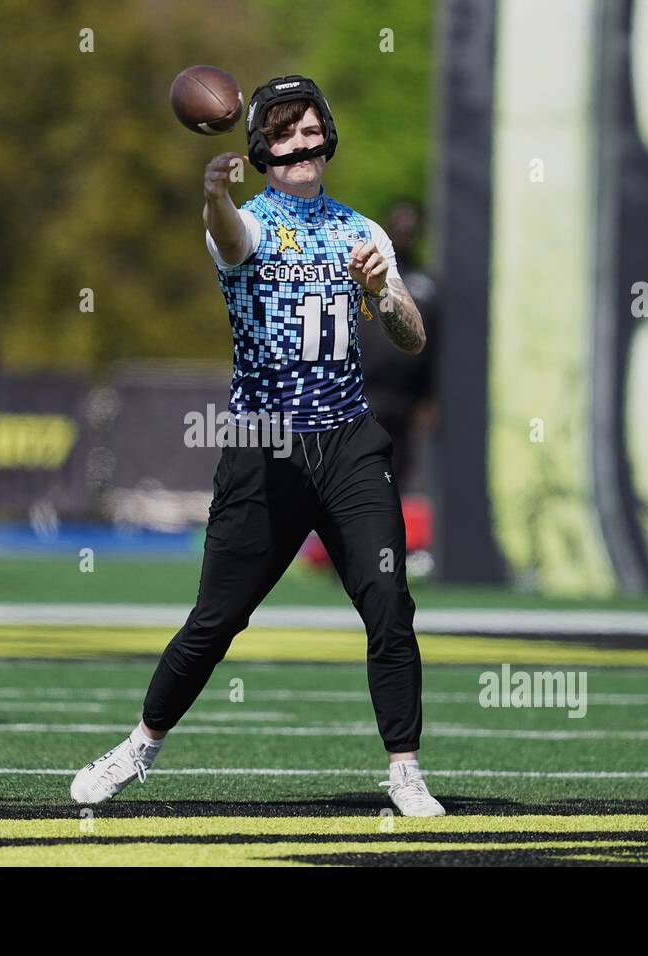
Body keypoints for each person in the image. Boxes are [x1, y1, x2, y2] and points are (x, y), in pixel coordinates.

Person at [70, 76, 443, 816]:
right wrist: (212, 194)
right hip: (265, 448)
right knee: (215, 621)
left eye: (310, 129)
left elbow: (412, 335)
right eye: (284, 133)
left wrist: (385, 297)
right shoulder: (245, 222)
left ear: (327, 135)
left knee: (389, 604)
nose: (301, 144)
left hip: (347, 446)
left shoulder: (362, 232)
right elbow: (231, 240)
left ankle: (404, 768)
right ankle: (139, 746)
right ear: (260, 148)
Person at [356, 201, 439, 489]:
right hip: (363, 393)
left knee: (398, 475)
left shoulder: (426, 282)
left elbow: (435, 343)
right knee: (361, 470)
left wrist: (431, 397)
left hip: (406, 399)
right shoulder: (361, 275)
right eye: (399, 226)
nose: (405, 232)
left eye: (410, 228)